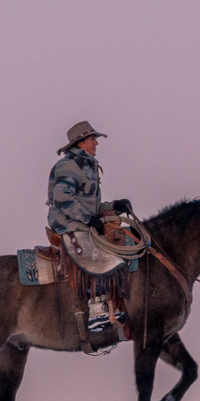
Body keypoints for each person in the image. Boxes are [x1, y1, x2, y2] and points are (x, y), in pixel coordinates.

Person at [47, 120, 133, 333]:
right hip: (68, 223)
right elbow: (62, 198)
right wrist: (88, 218)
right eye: (93, 139)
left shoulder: (88, 166)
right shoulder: (69, 165)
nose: (96, 143)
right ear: (81, 142)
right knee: (101, 253)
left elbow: (92, 205)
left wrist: (113, 206)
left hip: (81, 220)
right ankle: (97, 312)